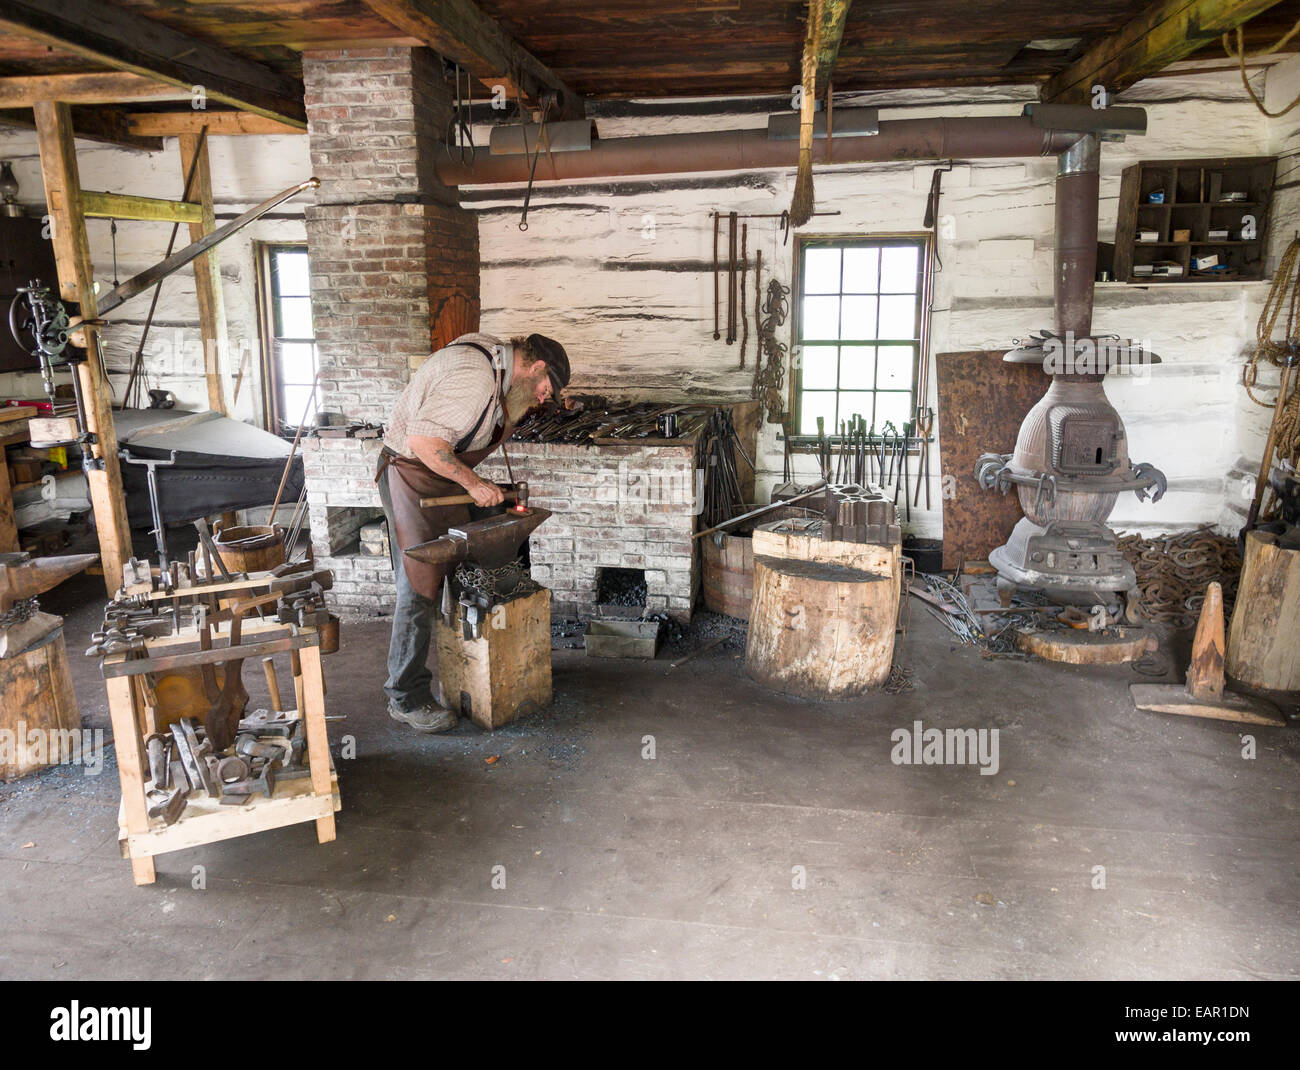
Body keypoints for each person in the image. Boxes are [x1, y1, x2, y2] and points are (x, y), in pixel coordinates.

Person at [376, 332, 570, 732]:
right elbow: (425, 443)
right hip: (412, 475)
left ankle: (473, 666)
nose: (539, 398)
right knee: (418, 584)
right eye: (543, 389)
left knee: (469, 562)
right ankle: (405, 696)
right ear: (534, 368)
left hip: (439, 475)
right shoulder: (476, 376)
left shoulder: (498, 368)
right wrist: (473, 484)